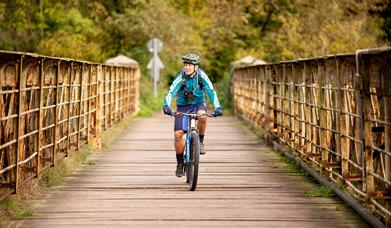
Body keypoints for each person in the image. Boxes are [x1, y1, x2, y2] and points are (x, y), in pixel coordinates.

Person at [162, 53, 223, 177]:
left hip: (198, 104)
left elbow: (211, 92)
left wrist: (217, 107)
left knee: (202, 116)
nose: (187, 67)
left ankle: (200, 141)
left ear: (196, 67)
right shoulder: (181, 77)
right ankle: (180, 163)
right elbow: (171, 91)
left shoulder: (202, 76)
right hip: (183, 106)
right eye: (185, 65)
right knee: (178, 134)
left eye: (190, 65)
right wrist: (166, 105)